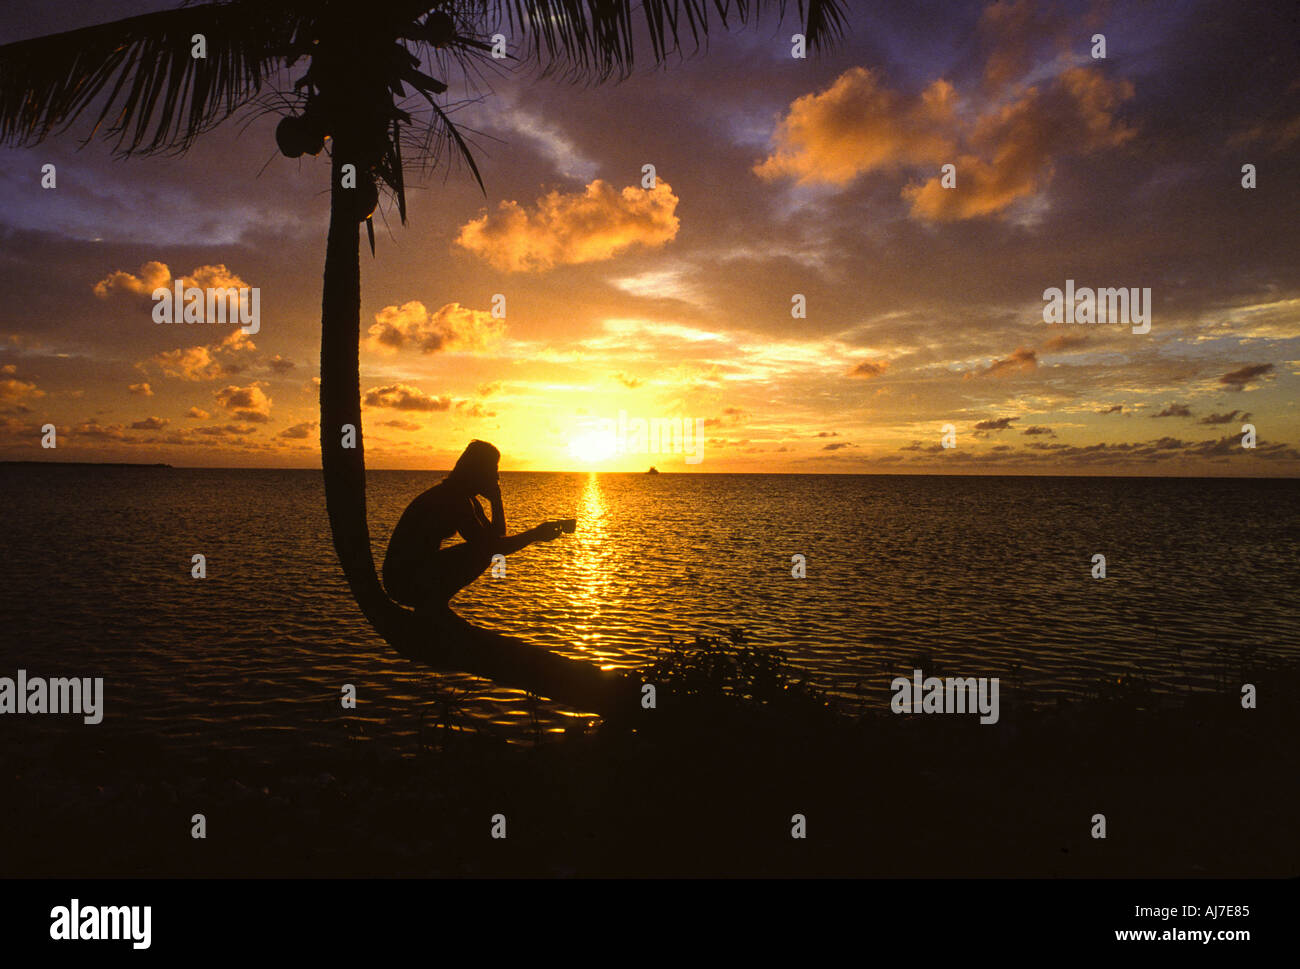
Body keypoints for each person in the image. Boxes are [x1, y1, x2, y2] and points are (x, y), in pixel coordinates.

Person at [382, 440, 567, 612]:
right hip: (403, 581)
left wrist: (496, 501)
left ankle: (434, 605)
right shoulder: (453, 498)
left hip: (413, 576)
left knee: (484, 550)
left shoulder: (466, 498)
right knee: (480, 551)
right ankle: (432, 606)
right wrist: (534, 535)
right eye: (493, 469)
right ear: (478, 470)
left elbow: (496, 539)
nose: (496, 476)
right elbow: (491, 548)